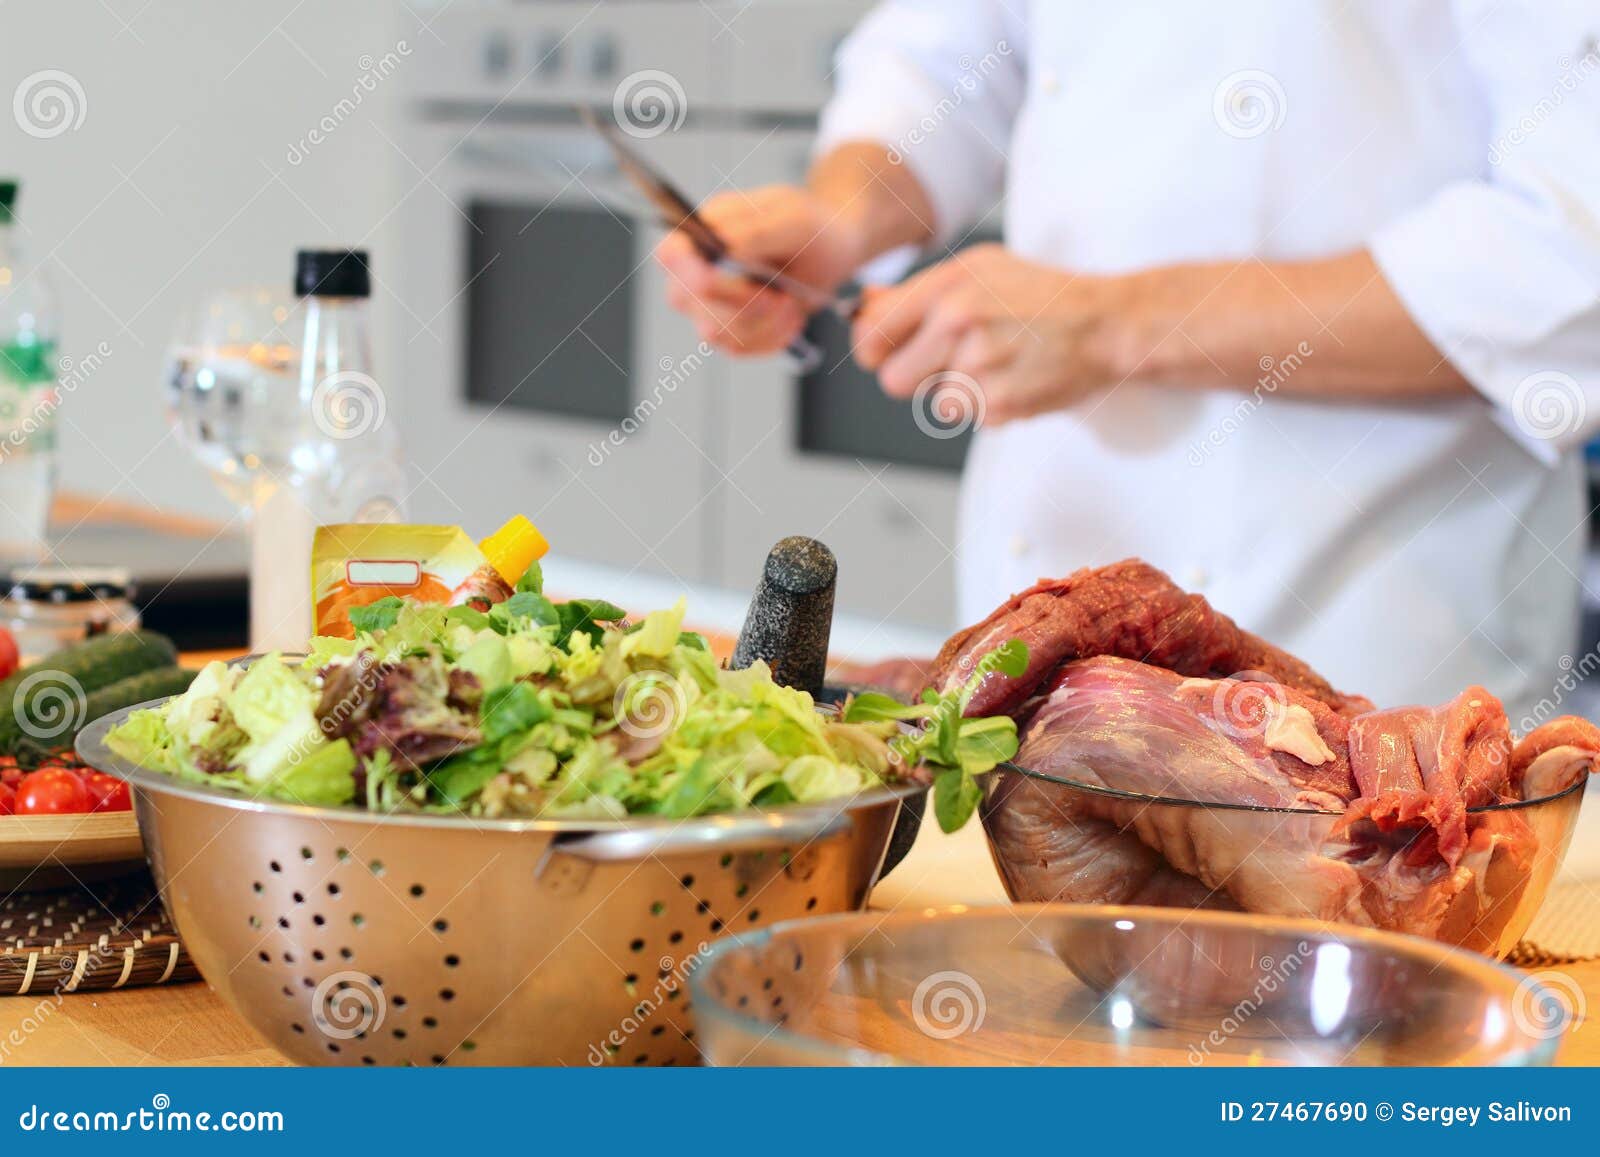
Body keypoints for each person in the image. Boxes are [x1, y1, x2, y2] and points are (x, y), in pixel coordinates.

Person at [656, 1, 1600, 722]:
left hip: (1373, 642)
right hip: (1037, 633)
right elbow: (946, 56)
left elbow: (1573, 253)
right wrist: (841, 218)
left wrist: (1112, 326)